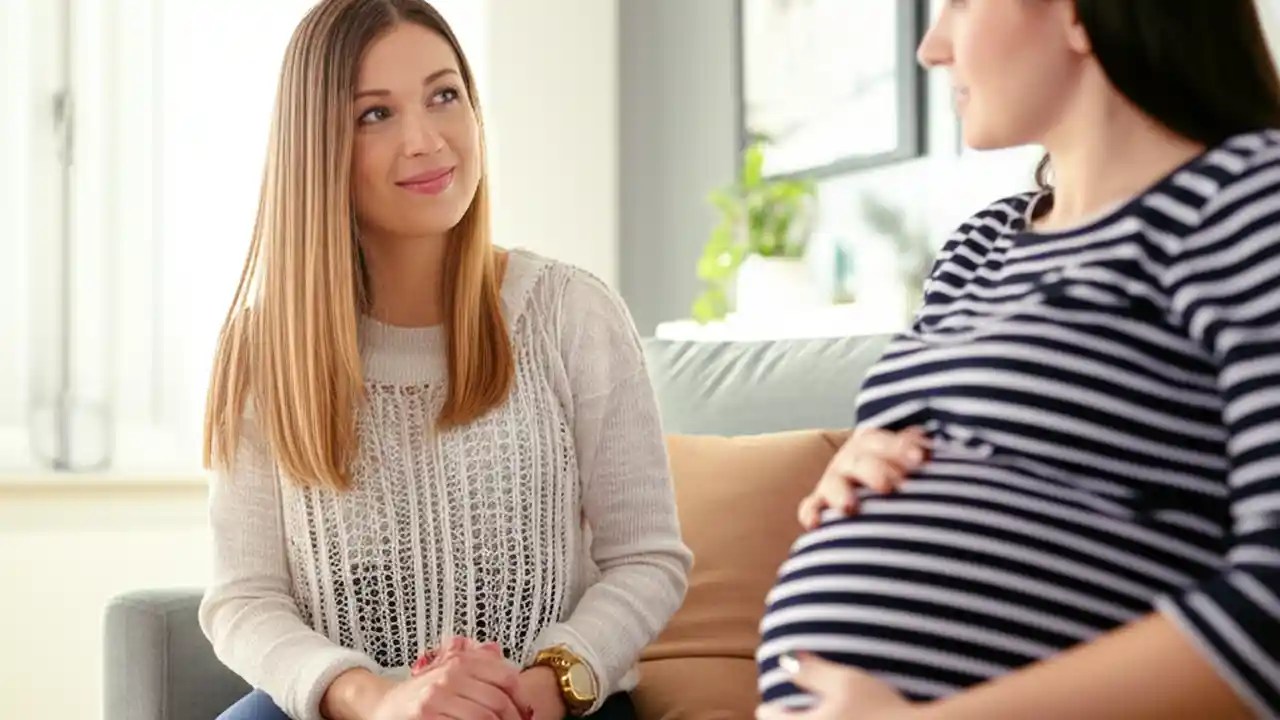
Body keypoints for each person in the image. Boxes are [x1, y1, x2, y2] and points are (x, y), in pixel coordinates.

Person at [756, 1, 1280, 718]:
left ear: (1080, 16)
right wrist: (859, 468)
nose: (931, 48)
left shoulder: (1250, 201)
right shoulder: (981, 246)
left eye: (961, 4)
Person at [198, 1, 692, 719]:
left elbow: (647, 557)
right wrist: (376, 699)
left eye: (443, 95)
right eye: (375, 114)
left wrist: (547, 685)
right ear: (318, 146)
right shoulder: (260, 352)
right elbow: (244, 598)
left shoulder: (571, 313)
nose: (427, 141)